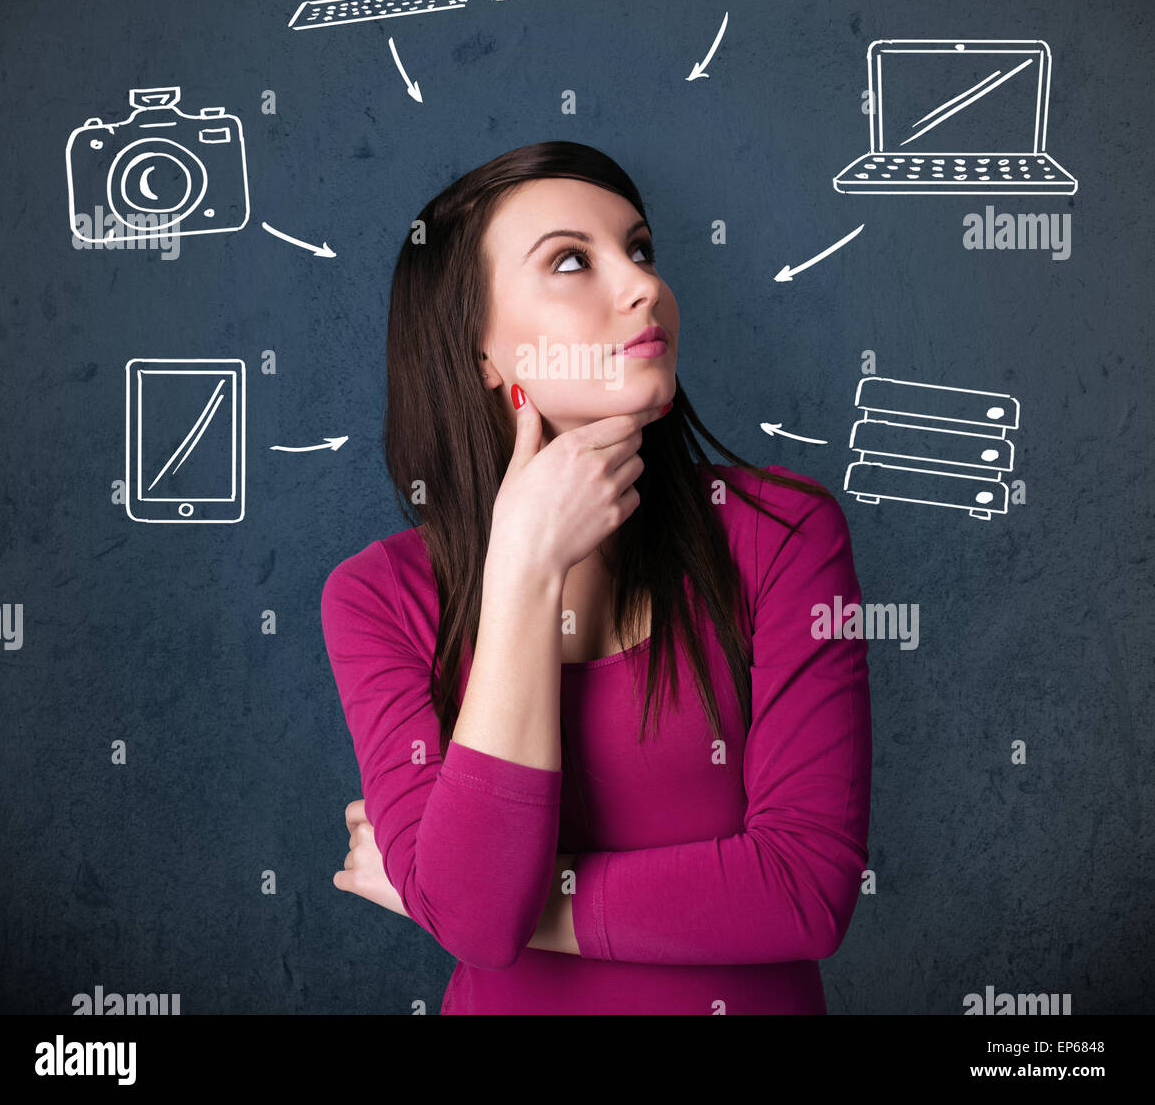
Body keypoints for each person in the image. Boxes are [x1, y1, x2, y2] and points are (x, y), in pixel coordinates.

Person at [321, 139, 872, 1014]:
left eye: (640, 248)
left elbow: (803, 890)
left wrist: (465, 894)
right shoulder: (377, 598)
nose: (642, 284)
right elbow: (472, 916)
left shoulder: (783, 533)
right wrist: (526, 569)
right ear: (482, 358)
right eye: (572, 261)